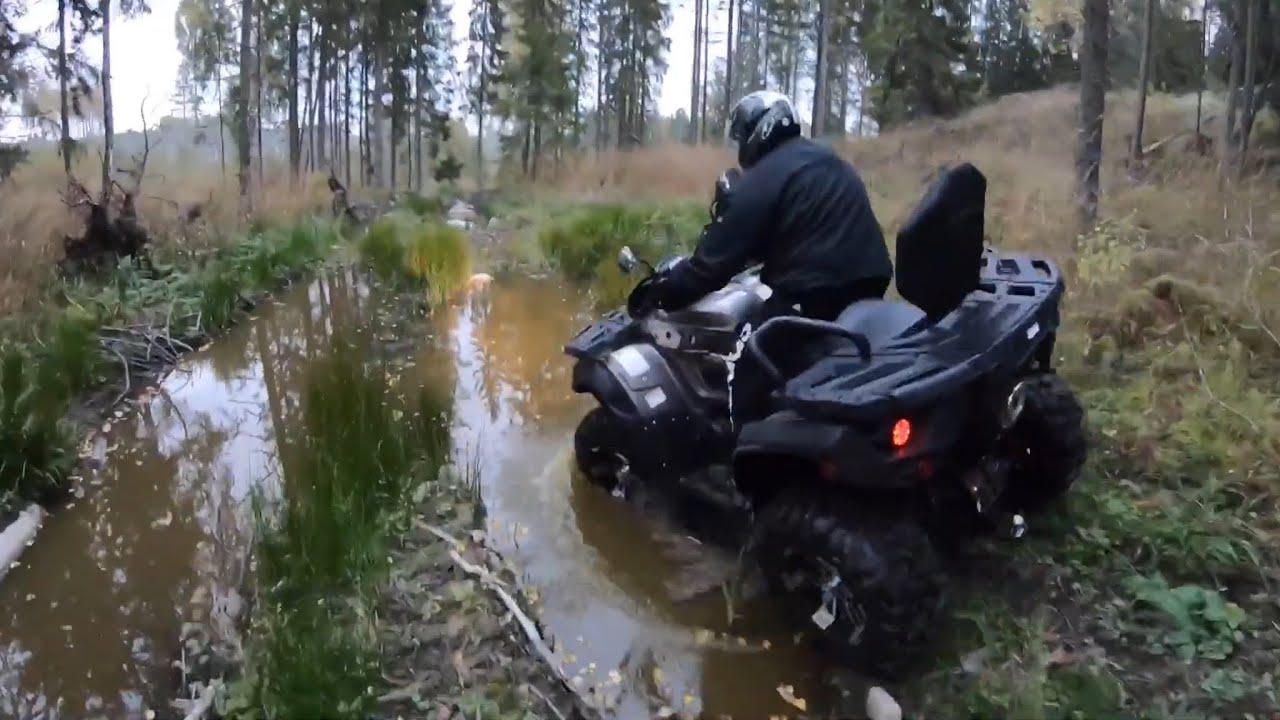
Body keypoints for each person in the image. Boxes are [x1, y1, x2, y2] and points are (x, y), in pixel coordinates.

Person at [636, 89, 893, 323]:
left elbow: (709, 268)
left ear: (757, 130)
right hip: (871, 283)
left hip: (815, 294)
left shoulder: (765, 176)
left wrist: (660, 294)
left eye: (741, 134)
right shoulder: (825, 158)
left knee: (743, 354)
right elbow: (798, 230)